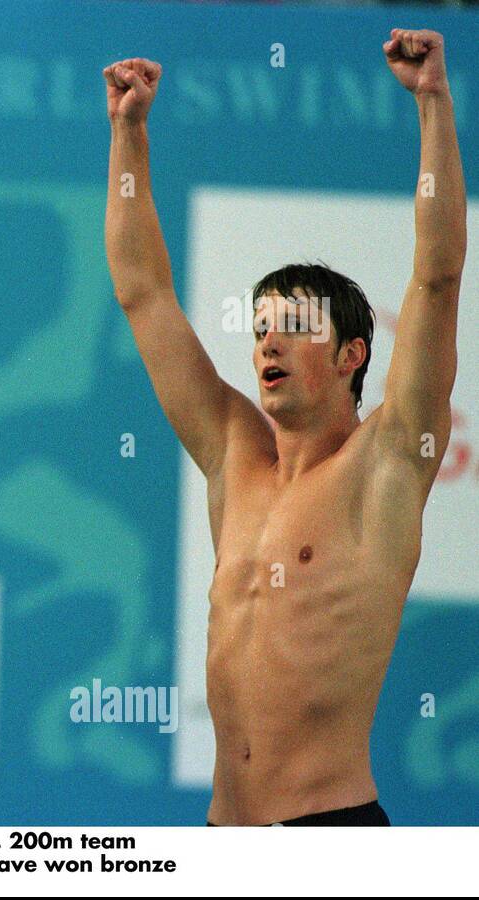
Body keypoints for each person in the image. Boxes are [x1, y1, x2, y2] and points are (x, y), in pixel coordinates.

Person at [103, 30, 465, 825]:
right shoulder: (234, 451)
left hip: (328, 832)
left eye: (295, 326)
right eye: (261, 326)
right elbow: (141, 291)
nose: (267, 340)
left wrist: (434, 103)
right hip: (221, 832)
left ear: (351, 355)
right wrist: (128, 133)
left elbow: (438, 278)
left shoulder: (389, 461)